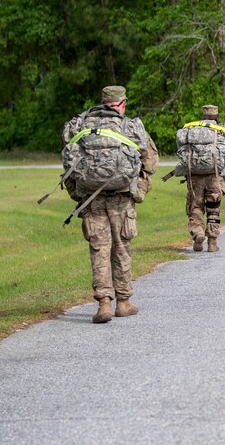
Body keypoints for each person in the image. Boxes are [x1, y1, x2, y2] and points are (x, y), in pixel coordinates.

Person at [62, 86, 159, 323]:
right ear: (122, 103)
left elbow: (68, 163)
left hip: (92, 200)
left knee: (99, 249)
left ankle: (104, 304)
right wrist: (140, 185)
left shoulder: (80, 125)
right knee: (121, 248)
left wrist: (79, 194)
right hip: (122, 199)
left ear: (103, 102)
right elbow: (151, 161)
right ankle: (123, 302)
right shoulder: (132, 127)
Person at [174, 105, 225, 253]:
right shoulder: (222, 132)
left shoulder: (191, 130)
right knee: (213, 208)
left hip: (195, 177)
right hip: (215, 176)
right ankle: (213, 242)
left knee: (195, 207)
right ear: (216, 117)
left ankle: (197, 234)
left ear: (203, 116)